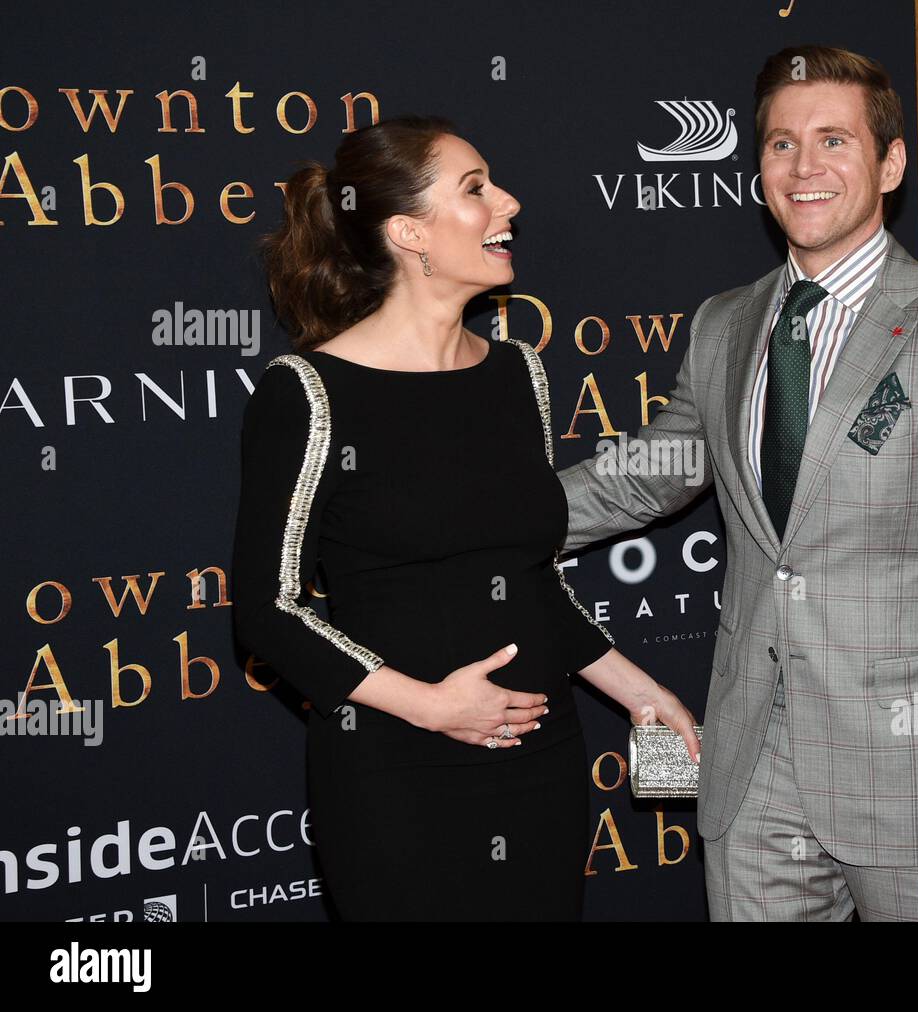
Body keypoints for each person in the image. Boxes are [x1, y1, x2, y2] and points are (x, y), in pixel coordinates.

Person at [558, 47, 918, 921]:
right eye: (780, 145)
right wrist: (482, 521)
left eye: (835, 140)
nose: (805, 168)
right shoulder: (725, 325)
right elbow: (650, 477)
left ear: (892, 162)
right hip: (753, 773)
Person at [231, 115, 700, 921]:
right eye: (476, 189)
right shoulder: (307, 391)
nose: (509, 203)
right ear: (409, 231)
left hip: (538, 762)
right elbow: (267, 610)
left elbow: (532, 581)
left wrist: (643, 694)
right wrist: (434, 705)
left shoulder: (518, 373)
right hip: (394, 771)